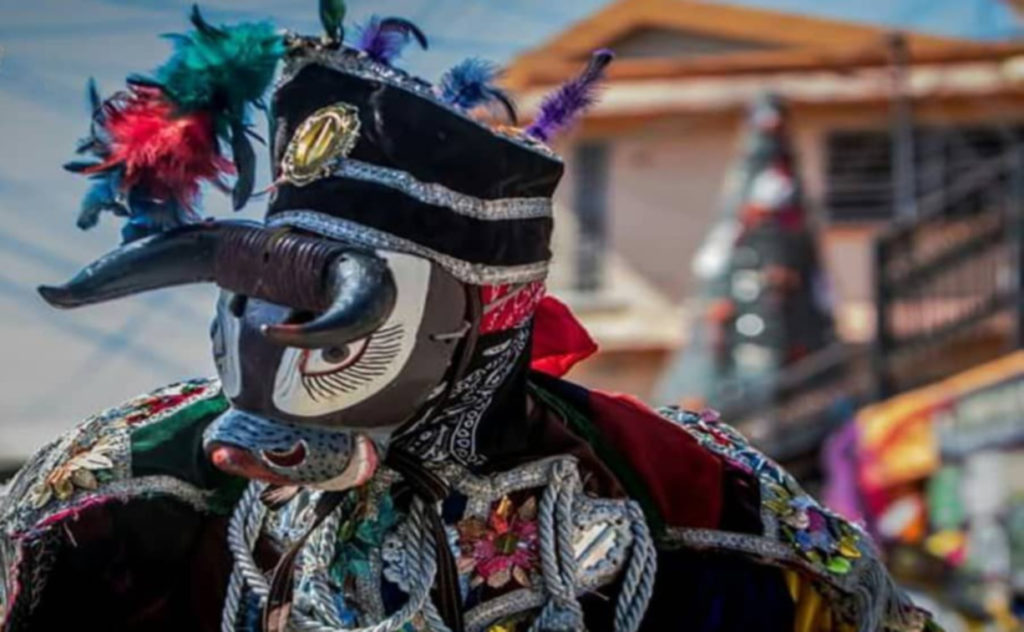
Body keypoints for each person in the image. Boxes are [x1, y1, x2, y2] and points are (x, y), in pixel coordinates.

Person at [0, 3, 937, 631]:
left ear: (475, 326)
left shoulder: (688, 495)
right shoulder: (125, 492)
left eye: (330, 321)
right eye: (250, 300)